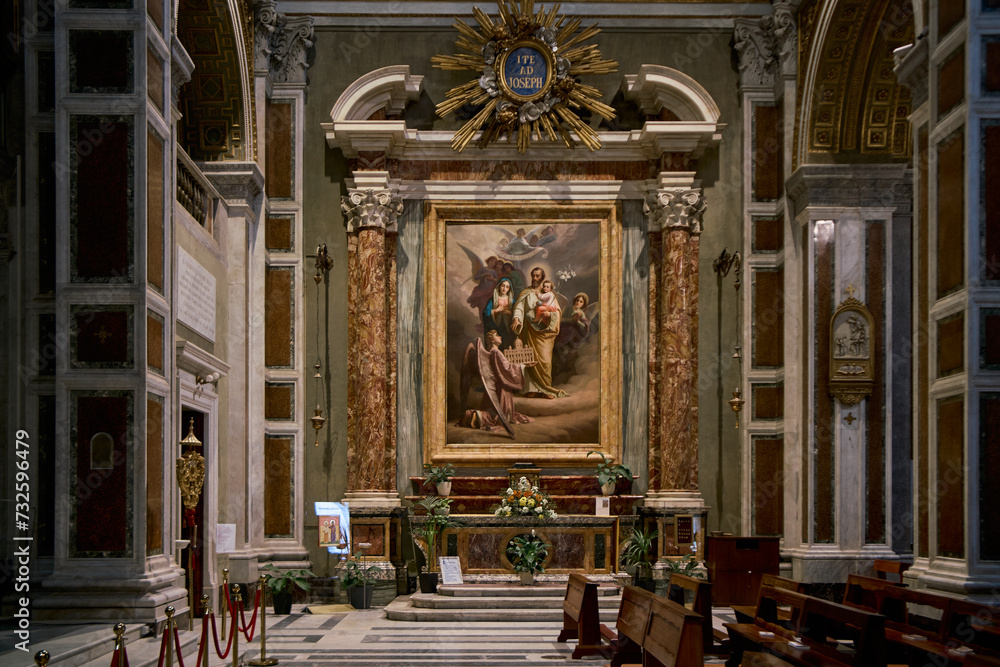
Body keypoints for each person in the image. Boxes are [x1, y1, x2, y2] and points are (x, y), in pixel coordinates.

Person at [458, 330, 535, 434]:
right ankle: (474, 415)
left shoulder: (492, 352)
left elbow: (504, 367)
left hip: (495, 386)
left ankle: (476, 416)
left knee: (494, 412)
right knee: (496, 415)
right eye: (497, 336)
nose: (501, 337)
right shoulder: (496, 352)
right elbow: (506, 368)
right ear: (492, 340)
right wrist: (524, 365)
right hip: (501, 387)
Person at [511, 267, 567, 398]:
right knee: (530, 359)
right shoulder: (526, 292)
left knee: (545, 360)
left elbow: (557, 311)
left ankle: (545, 389)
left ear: (542, 278)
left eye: (538, 276)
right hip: (529, 330)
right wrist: (516, 318)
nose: (535, 278)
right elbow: (519, 307)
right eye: (533, 276)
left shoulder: (549, 293)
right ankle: (531, 389)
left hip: (544, 333)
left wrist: (549, 314)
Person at [483, 278, 516, 350]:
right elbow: (486, 313)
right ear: (499, 286)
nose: (504, 289)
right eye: (503, 286)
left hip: (508, 328)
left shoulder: (512, 301)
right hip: (496, 327)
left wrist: (509, 312)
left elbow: (516, 313)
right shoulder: (493, 299)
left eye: (507, 287)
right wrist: (496, 310)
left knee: (508, 345)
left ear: (509, 289)